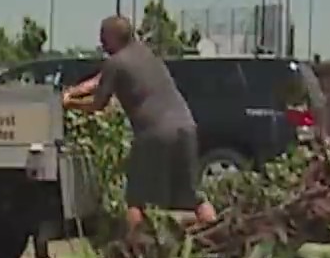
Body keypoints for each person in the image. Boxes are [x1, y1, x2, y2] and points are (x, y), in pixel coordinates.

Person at [61, 15, 217, 230]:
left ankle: (134, 249)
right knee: (193, 196)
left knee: (136, 201)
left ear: (114, 37)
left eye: (103, 36)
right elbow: (98, 81)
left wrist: (69, 104)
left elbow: (98, 104)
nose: (101, 42)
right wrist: (73, 91)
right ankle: (216, 234)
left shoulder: (115, 62)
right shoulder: (146, 54)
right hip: (186, 127)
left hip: (155, 133)